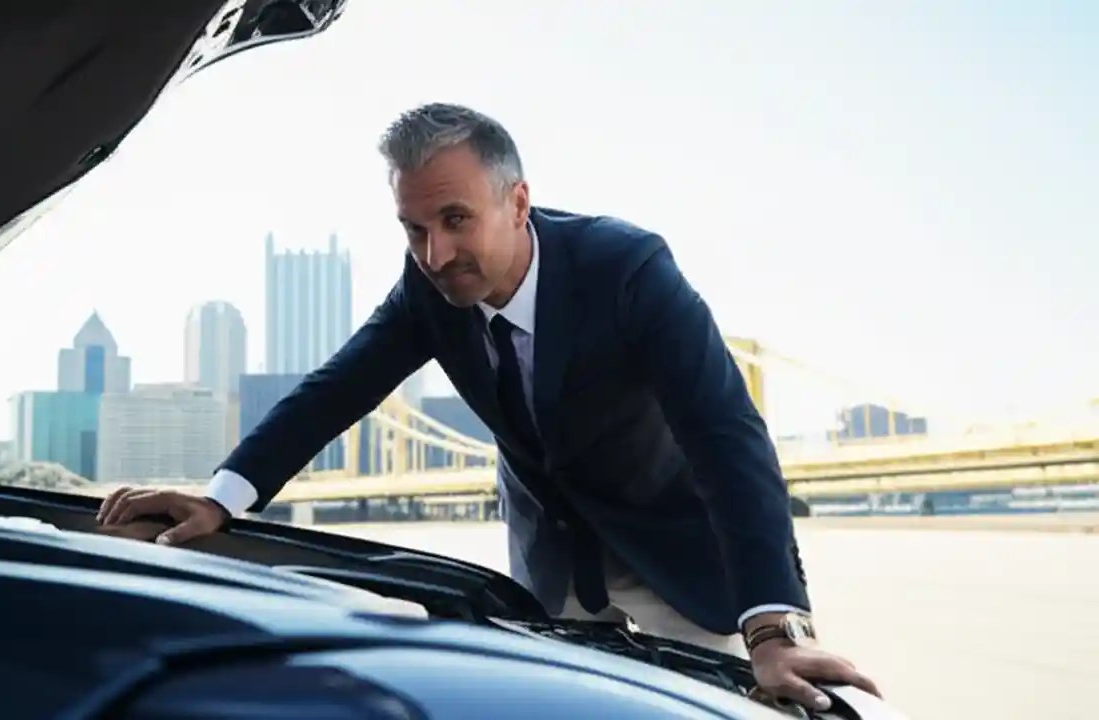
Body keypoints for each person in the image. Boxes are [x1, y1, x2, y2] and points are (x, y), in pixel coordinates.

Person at [98, 102, 881, 711]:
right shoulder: (426, 292)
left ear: (518, 202)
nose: (434, 255)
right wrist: (221, 497)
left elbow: (725, 435)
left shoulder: (629, 268)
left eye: (455, 221)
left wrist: (774, 630)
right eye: (413, 229)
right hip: (551, 556)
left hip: (679, 550)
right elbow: (336, 390)